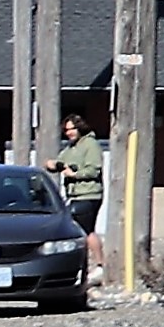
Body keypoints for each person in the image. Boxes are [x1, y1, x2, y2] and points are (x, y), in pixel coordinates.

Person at [55, 114, 108, 270]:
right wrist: (52, 164)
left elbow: (93, 170)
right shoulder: (71, 147)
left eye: (72, 129)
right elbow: (60, 161)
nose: (69, 133)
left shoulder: (91, 145)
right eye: (66, 130)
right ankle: (84, 265)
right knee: (80, 230)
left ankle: (99, 265)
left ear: (80, 128)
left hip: (89, 194)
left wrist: (75, 174)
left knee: (85, 230)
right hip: (74, 195)